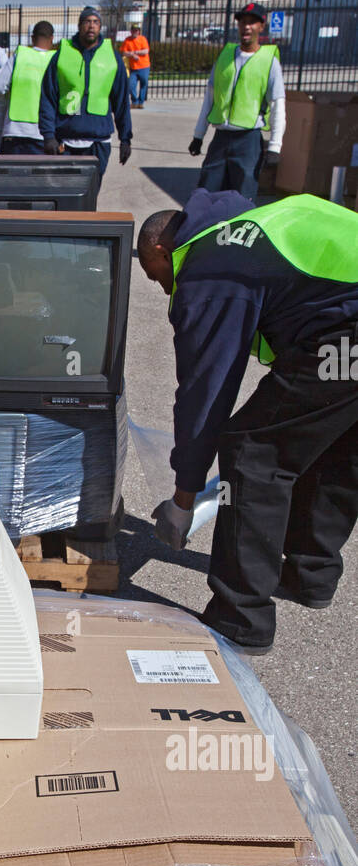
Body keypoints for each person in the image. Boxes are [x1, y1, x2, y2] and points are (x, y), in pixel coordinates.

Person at [137, 188, 358, 655]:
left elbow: (206, 391)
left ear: (161, 248)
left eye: (155, 276)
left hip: (346, 338)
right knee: (334, 437)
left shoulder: (209, 267)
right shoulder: (252, 225)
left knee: (252, 450)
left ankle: (241, 619)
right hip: (344, 332)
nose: (164, 289)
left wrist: (183, 497)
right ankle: (310, 575)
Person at [188, 2, 285, 199]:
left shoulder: (269, 62)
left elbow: (277, 106)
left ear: (261, 27)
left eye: (252, 23)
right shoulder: (225, 57)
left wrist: (275, 146)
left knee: (242, 198)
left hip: (248, 141)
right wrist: (199, 135)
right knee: (204, 194)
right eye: (242, 22)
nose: (246, 27)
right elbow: (210, 98)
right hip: (221, 139)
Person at [39, 6, 132, 180]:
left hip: (98, 142)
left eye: (95, 22)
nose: (91, 26)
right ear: (79, 25)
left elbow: (121, 102)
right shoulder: (61, 56)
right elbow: (48, 97)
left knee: (90, 197)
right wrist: (48, 135)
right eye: (87, 22)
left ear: (100, 27)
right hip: (66, 142)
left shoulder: (112, 58)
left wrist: (125, 138)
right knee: (67, 198)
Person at [0, 21, 56, 155]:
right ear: (52, 39)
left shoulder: (20, 56)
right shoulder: (56, 59)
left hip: (14, 132)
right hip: (44, 135)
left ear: (32, 38)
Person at [121, 22, 150, 110]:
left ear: (139, 31)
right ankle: (134, 101)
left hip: (144, 66)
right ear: (131, 31)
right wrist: (132, 55)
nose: (135, 32)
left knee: (144, 84)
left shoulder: (142, 39)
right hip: (133, 67)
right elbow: (123, 52)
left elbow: (146, 51)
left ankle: (140, 102)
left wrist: (136, 52)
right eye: (134, 30)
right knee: (131, 85)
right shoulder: (127, 40)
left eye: (137, 30)